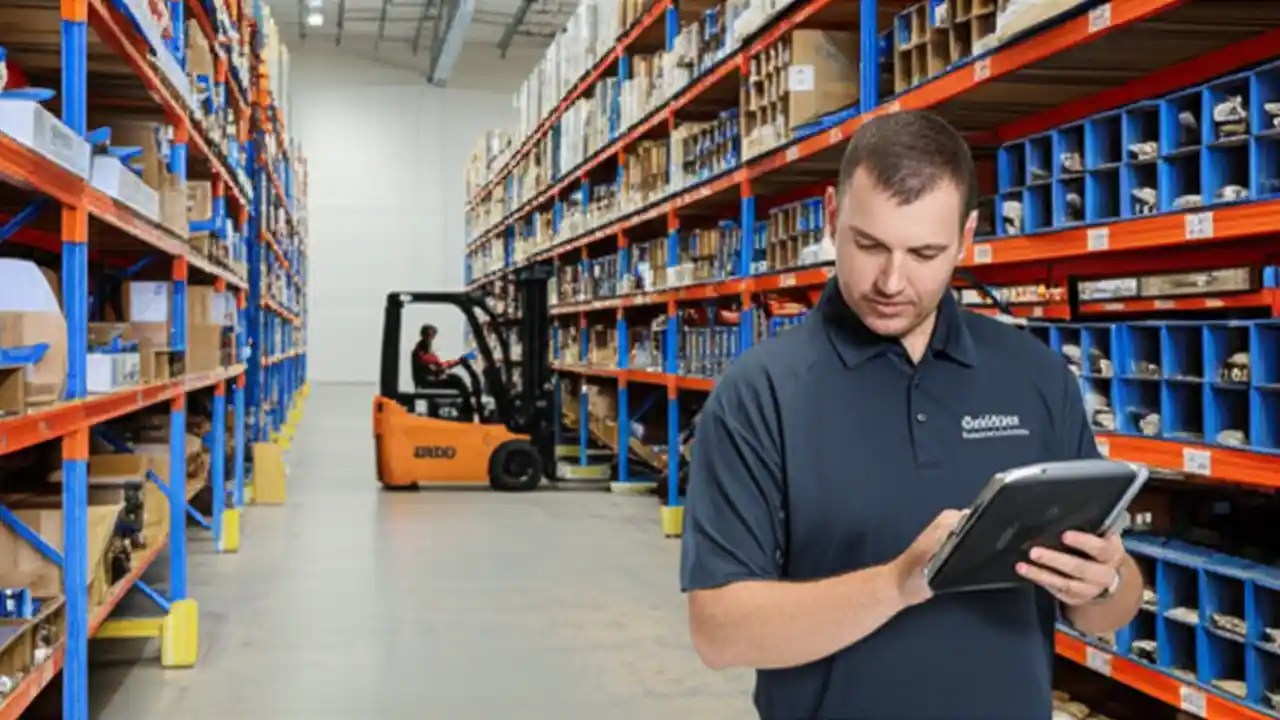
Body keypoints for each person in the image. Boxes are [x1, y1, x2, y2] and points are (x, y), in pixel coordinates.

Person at [679, 110, 1142, 720]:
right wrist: (900, 583)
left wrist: (1105, 583)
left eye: (925, 252)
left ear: (967, 235)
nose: (892, 280)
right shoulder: (760, 395)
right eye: (869, 245)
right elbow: (719, 632)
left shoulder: (1034, 375)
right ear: (831, 215)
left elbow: (1109, 607)